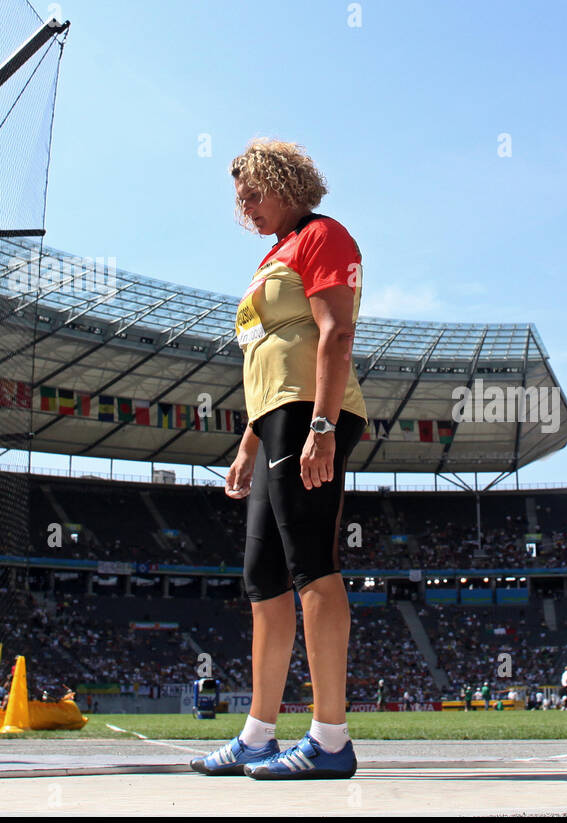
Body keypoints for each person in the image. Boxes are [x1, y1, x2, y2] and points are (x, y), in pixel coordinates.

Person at [191, 140, 367, 780]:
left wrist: (320, 425)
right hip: (274, 423)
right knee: (262, 579)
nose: (245, 205)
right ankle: (259, 734)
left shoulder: (323, 236)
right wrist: (247, 445)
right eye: (240, 198)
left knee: (312, 565)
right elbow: (262, 359)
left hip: (311, 413)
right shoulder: (273, 256)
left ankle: (330, 739)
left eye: (254, 192)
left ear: (288, 184)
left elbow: (336, 333)